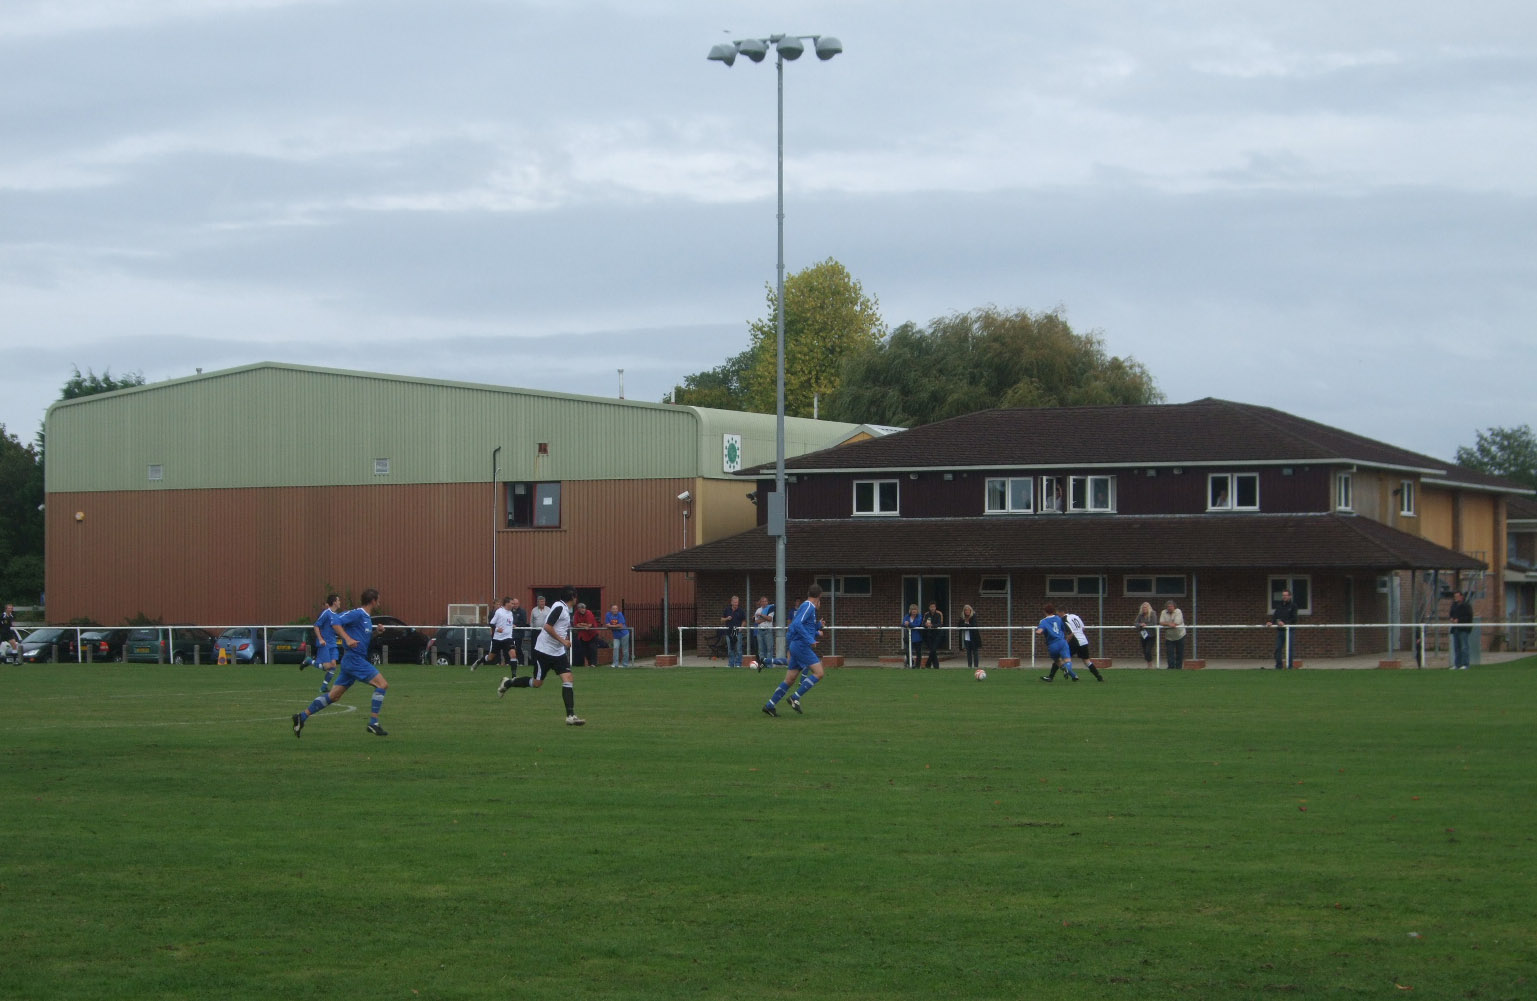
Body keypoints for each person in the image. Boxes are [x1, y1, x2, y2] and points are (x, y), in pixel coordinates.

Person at [292, 588, 390, 737]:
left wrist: (377, 632)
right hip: (354, 659)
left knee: (333, 696)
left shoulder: (366, 618)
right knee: (382, 685)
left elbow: (363, 640)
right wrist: (347, 638)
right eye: (379, 599)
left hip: (353, 661)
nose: (380, 602)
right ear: (373, 601)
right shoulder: (357, 613)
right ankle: (373, 723)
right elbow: (335, 621)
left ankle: (302, 716)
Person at [498, 585, 585, 725]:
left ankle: (570, 716)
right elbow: (547, 627)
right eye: (576, 595)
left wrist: (563, 640)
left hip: (557, 652)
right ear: (572, 597)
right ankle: (508, 682)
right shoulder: (560, 608)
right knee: (537, 683)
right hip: (544, 651)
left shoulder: (563, 608)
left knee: (568, 678)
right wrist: (563, 640)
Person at [762, 584, 827, 716]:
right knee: (819, 672)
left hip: (797, 645)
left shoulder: (807, 607)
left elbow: (804, 627)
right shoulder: (809, 606)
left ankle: (770, 705)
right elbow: (796, 624)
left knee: (790, 679)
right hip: (801, 645)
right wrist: (810, 640)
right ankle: (795, 697)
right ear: (819, 596)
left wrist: (818, 626)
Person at [305, 593, 343, 693]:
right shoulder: (326, 613)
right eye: (338, 600)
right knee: (328, 666)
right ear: (334, 602)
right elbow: (316, 625)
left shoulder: (336, 616)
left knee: (333, 665)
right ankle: (310, 661)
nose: (340, 602)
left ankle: (323, 687)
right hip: (325, 643)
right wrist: (321, 639)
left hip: (333, 643)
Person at [1036, 603, 1078, 682]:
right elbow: (1063, 628)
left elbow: (1039, 631)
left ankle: (1071, 674)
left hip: (1052, 644)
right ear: (1053, 611)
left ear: (1044, 612)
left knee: (1057, 661)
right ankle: (1072, 673)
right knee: (1067, 660)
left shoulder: (1043, 621)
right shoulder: (1059, 618)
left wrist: (1038, 631)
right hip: (1062, 642)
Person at [1061, 610, 1105, 681]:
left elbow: (1071, 633)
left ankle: (1055, 675)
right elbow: (1083, 628)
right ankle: (1099, 676)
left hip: (1075, 641)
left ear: (1061, 612)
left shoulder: (1064, 619)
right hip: (1083, 640)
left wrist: (1066, 642)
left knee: (1063, 657)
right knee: (1087, 661)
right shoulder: (1075, 616)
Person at [1268, 589, 1298, 670]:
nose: (1284, 597)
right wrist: (1271, 622)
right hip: (1280, 631)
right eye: (1283, 595)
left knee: (1289, 649)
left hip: (1289, 630)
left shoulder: (1293, 606)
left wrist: (1285, 623)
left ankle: (1290, 666)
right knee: (1278, 648)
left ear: (1290, 596)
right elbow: (1275, 616)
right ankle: (1278, 666)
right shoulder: (1279, 605)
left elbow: (1294, 619)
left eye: (1286, 595)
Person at [489, 596, 518, 674]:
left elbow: (507, 623)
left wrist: (512, 625)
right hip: (498, 638)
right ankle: (479, 661)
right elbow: (491, 623)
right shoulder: (499, 612)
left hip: (508, 638)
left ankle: (514, 676)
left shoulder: (511, 613)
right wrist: (496, 629)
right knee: (490, 657)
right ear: (507, 603)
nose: (513, 605)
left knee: (513, 655)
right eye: (512, 603)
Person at [1448, 590, 1474, 670]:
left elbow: (1468, 617)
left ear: (1461, 597)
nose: (1455, 598)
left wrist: (1459, 620)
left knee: (1464, 647)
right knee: (1457, 647)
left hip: (1463, 629)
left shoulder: (1466, 606)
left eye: (1457, 596)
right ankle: (1457, 664)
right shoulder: (1454, 605)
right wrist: (1452, 619)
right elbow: (1451, 614)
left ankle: (1465, 664)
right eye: (1455, 596)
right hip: (1456, 629)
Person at [1159, 599, 1186, 670]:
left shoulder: (1178, 611)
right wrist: (1169, 624)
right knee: (1169, 652)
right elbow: (1161, 622)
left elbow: (1176, 623)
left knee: (1179, 652)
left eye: (1171, 606)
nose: (1169, 608)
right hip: (1169, 637)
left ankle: (1178, 667)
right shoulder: (1163, 612)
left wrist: (1169, 624)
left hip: (1180, 635)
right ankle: (1171, 667)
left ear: (1174, 606)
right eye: (1168, 606)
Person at [720, 595, 745, 667]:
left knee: (738, 649)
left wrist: (741, 627)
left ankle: (738, 664)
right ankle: (731, 664)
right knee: (730, 649)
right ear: (731, 602)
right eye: (734, 602)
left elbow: (744, 621)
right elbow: (721, 619)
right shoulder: (727, 610)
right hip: (729, 632)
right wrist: (727, 618)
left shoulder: (741, 611)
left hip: (737, 632)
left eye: (737, 602)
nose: (736, 604)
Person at [572, 602, 600, 667]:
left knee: (593, 649)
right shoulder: (576, 613)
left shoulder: (589, 613)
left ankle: (594, 663)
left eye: (583, 608)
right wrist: (584, 625)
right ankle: (590, 663)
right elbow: (575, 625)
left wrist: (581, 624)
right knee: (585, 650)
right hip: (582, 635)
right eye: (581, 608)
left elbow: (589, 625)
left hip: (592, 634)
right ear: (578, 609)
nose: (582, 610)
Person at [603, 603, 632, 667]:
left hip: (624, 634)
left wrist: (611, 626)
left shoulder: (620, 614)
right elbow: (607, 625)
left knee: (625, 650)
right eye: (613, 609)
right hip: (616, 635)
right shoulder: (608, 615)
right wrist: (614, 626)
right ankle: (615, 664)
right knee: (615, 648)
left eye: (616, 609)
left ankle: (625, 664)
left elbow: (621, 625)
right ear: (611, 609)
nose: (615, 610)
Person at [1133, 601, 1158, 669]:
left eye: (1146, 607)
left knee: (1148, 650)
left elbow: (1154, 623)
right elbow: (1135, 623)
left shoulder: (1153, 614)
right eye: (1143, 607)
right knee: (1144, 650)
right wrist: (1140, 625)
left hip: (1151, 635)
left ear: (1148, 608)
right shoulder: (1140, 615)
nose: (1144, 609)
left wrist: (1146, 625)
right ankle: (1148, 663)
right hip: (1143, 635)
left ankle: (1150, 664)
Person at [752, 595, 774, 666]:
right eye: (763, 601)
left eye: (765, 601)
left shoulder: (770, 609)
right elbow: (756, 621)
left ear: (767, 602)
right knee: (761, 650)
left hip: (768, 631)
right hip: (760, 631)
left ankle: (769, 665)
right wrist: (765, 618)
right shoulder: (758, 610)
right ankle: (762, 664)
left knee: (769, 649)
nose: (764, 603)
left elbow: (770, 619)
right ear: (760, 602)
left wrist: (761, 615)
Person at [958, 604, 982, 669]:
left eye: (968, 610)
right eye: (965, 610)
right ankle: (969, 666)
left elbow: (973, 625)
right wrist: (966, 625)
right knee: (968, 652)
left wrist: (966, 625)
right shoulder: (962, 617)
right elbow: (960, 625)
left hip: (974, 637)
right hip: (966, 637)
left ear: (970, 610)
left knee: (975, 652)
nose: (967, 611)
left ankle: (976, 666)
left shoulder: (973, 616)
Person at [922, 601, 945, 669]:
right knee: (932, 650)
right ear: (929, 607)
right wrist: (926, 625)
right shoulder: (926, 614)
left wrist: (932, 625)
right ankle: (936, 666)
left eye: (933, 607)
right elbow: (923, 623)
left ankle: (928, 664)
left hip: (937, 634)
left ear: (935, 607)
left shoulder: (939, 614)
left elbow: (940, 624)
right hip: (929, 634)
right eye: (931, 607)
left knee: (933, 649)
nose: (932, 608)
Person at [507, 597, 529, 666]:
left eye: (517, 604)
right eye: (514, 604)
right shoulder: (509, 611)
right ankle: (510, 662)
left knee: (518, 647)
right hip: (510, 633)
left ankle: (521, 662)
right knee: (510, 647)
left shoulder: (522, 611)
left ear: (519, 604)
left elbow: (524, 622)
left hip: (519, 633)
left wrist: (516, 625)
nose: (515, 605)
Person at [528, 594, 550, 659]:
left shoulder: (548, 609)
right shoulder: (534, 610)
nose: (542, 603)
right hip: (535, 631)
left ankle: (545, 660)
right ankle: (534, 660)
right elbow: (531, 621)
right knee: (534, 646)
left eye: (543, 601)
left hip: (545, 631)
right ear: (537, 602)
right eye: (541, 601)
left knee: (545, 646)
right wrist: (532, 629)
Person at [902, 603, 924, 668]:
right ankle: (911, 662)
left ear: (917, 610)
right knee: (907, 651)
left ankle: (917, 666)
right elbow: (903, 623)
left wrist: (909, 624)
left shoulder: (919, 616)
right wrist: (905, 624)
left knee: (918, 652)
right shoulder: (907, 616)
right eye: (912, 609)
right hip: (908, 637)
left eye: (915, 609)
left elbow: (917, 624)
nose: (914, 611)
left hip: (917, 637)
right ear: (910, 610)